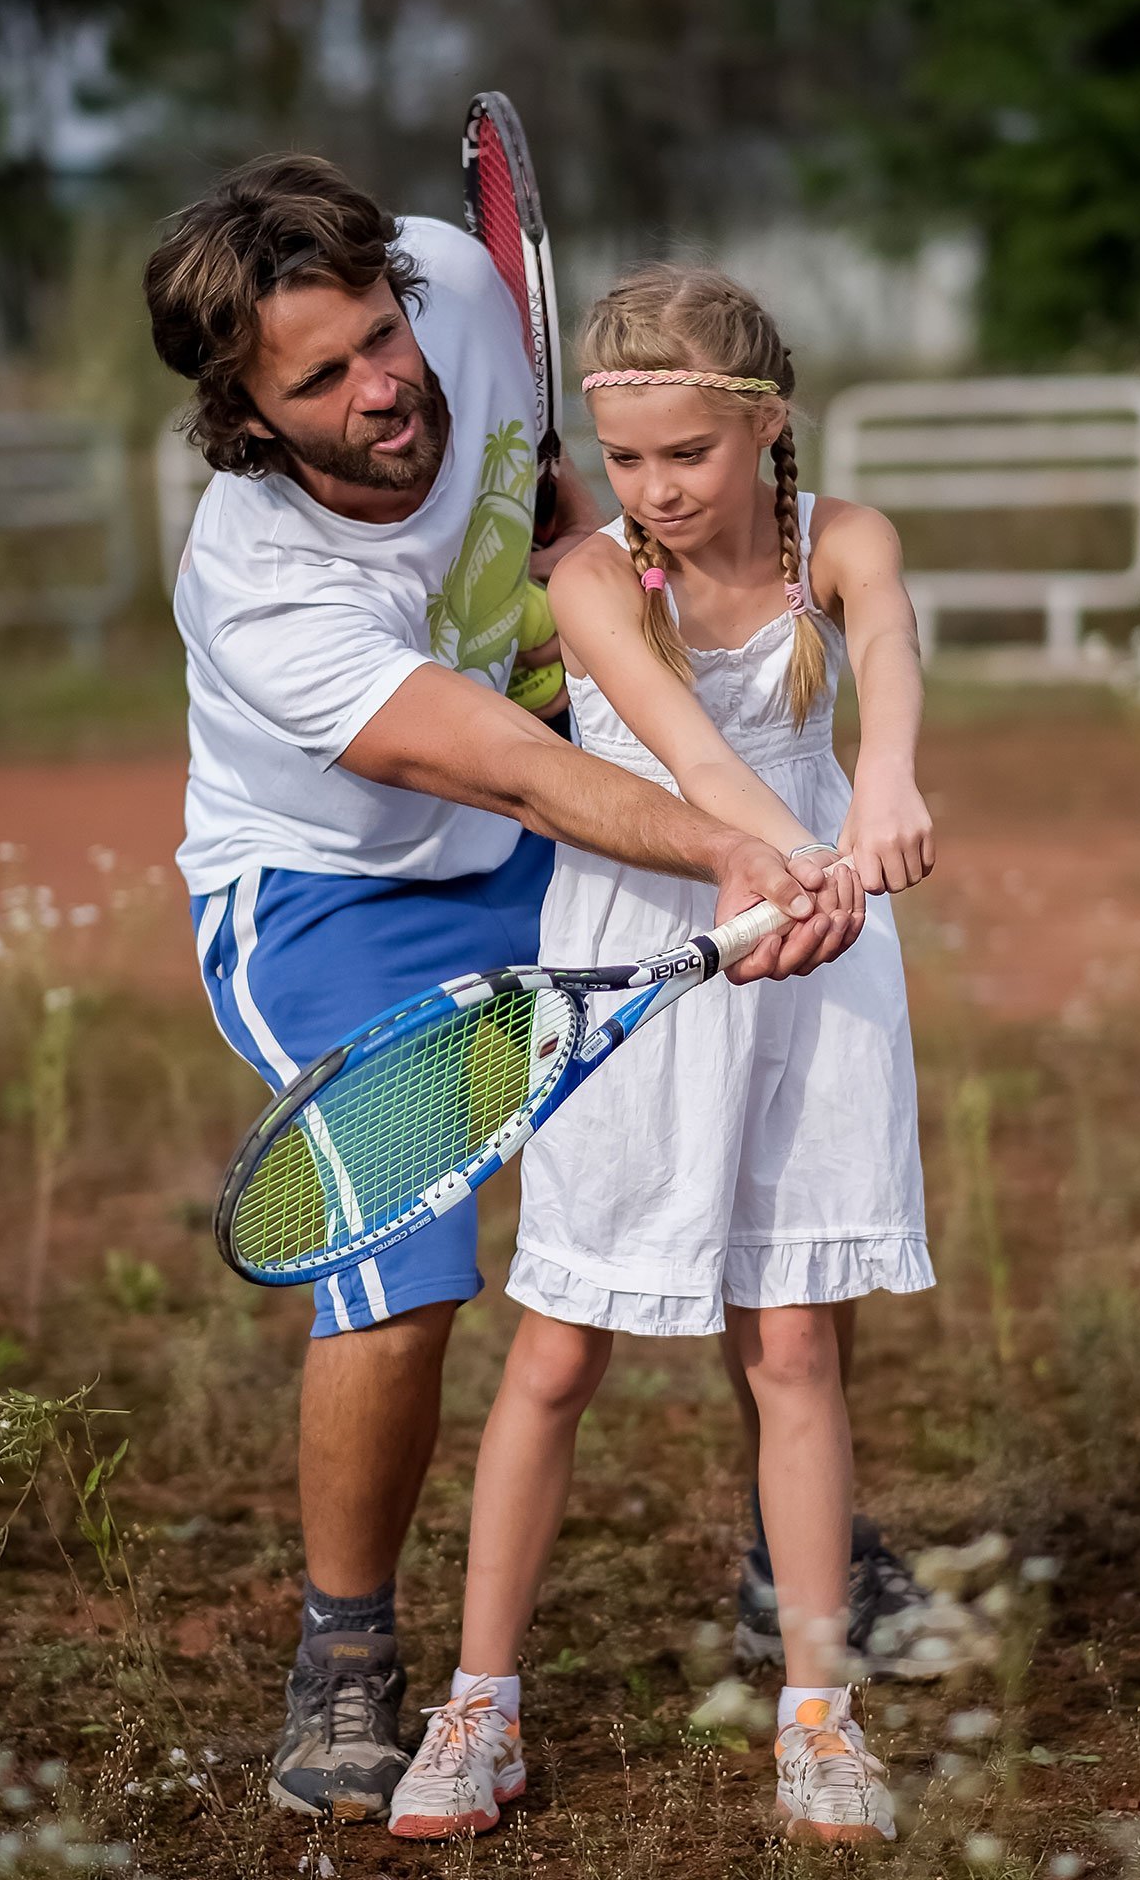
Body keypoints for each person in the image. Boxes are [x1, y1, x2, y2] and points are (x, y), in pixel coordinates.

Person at [143, 158, 863, 1824]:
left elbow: (548, 497)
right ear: (245, 415)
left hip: (543, 823)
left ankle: (798, 1547)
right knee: (405, 1251)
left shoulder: (458, 297)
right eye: (320, 379)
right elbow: (523, 780)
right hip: (340, 892)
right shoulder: (258, 584)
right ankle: (347, 1655)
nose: (385, 383)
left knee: (767, 1110)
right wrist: (727, 846)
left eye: (379, 338)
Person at [385, 266, 934, 1848]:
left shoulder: (843, 538)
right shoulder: (589, 579)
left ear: (764, 430)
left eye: (688, 455)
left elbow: (884, 657)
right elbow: (690, 757)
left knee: (792, 1351)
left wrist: (881, 789)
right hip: (638, 967)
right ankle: (478, 1707)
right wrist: (786, 853)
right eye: (627, 461)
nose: (656, 491)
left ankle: (817, 1712)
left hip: (816, 980)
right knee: (558, 1348)